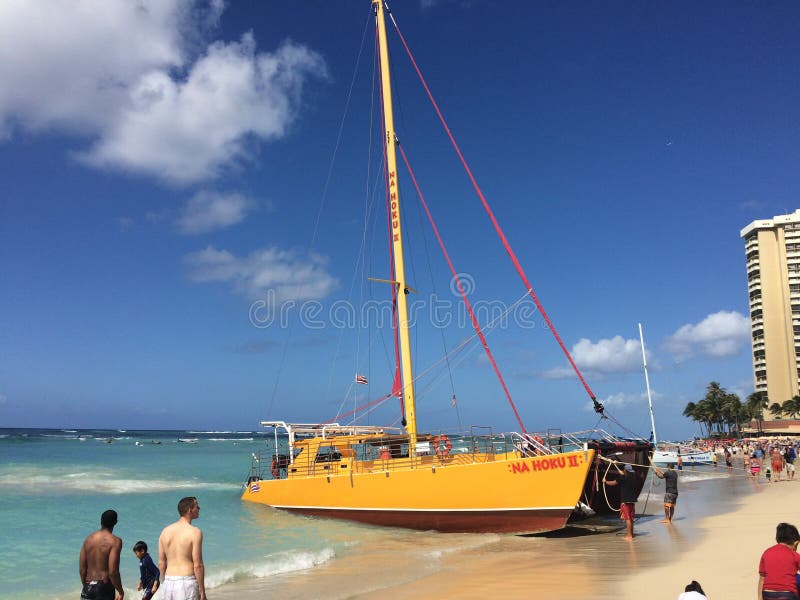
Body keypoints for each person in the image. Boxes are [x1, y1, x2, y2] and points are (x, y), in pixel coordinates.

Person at [158, 496, 207, 600]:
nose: (199, 509)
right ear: (190, 510)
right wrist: (202, 592)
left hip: (168, 582)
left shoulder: (165, 532)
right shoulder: (195, 532)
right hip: (186, 583)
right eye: (197, 507)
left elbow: (161, 564)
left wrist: (165, 583)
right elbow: (198, 565)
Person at [79, 509, 124, 600]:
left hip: (87, 588)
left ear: (101, 521)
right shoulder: (115, 541)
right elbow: (113, 572)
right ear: (115, 522)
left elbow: (82, 569)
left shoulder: (88, 539)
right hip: (104, 588)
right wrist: (120, 591)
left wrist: (86, 586)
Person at [758, 522, 800, 599]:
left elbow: (762, 578)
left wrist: (760, 598)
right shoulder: (795, 555)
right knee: (798, 578)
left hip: (767, 593)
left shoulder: (767, 552)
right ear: (796, 543)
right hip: (788, 594)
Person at [603, 463, 638, 540]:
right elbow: (626, 476)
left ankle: (629, 536)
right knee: (631, 518)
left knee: (627, 518)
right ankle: (631, 534)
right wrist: (623, 474)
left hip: (625, 501)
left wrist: (605, 481)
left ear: (625, 470)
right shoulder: (634, 477)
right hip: (632, 501)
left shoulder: (622, 477)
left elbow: (613, 483)